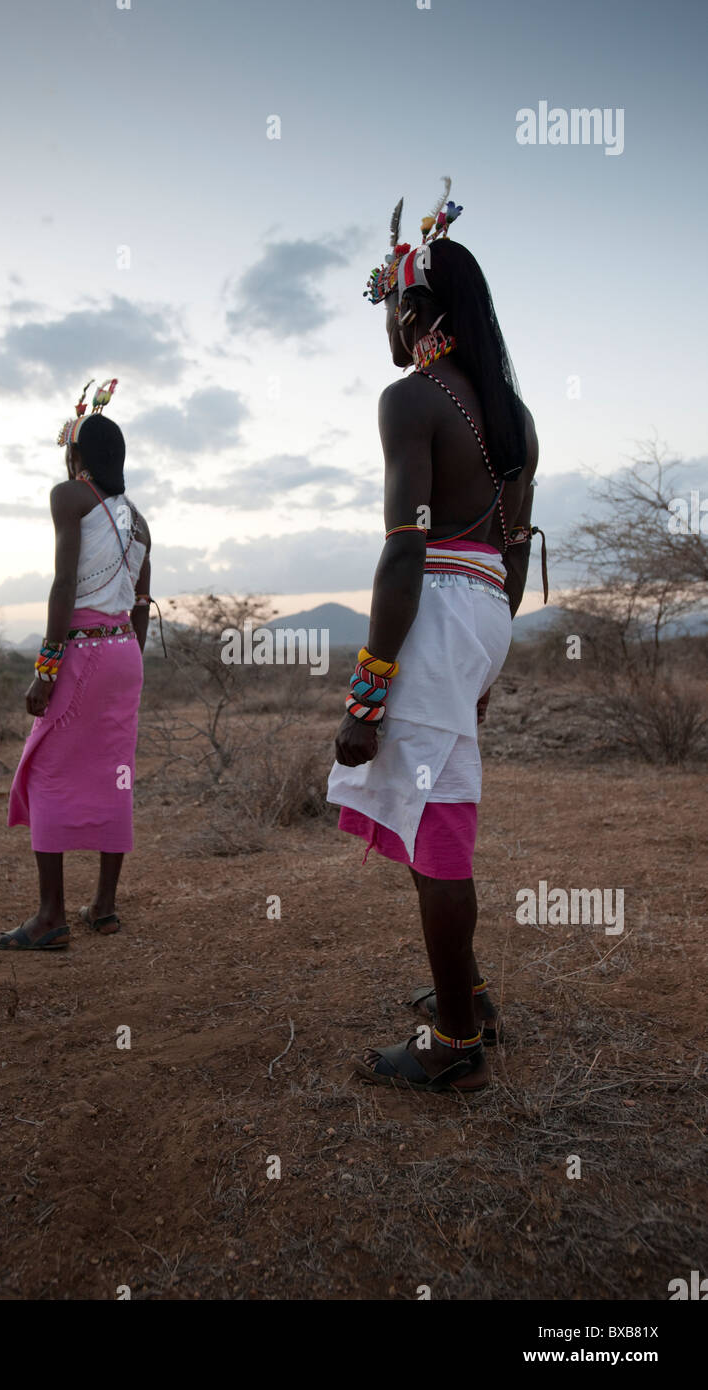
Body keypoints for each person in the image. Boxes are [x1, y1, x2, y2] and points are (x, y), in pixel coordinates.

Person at [328, 180, 544, 1092]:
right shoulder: (514, 417)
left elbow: (404, 555)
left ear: (415, 310)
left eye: (385, 304)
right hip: (487, 612)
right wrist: (483, 668)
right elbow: (516, 552)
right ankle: (474, 992)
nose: (383, 326)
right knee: (436, 814)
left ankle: (456, 1045)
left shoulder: (412, 399)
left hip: (437, 614)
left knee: (438, 830)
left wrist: (367, 691)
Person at [0, 378, 152, 950]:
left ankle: (51, 917)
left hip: (81, 653)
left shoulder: (68, 498)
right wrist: (128, 657)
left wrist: (47, 667)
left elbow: (63, 586)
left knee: (47, 770)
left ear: (78, 454)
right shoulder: (140, 522)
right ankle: (103, 908)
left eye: (69, 449)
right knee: (117, 772)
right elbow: (140, 606)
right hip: (123, 657)